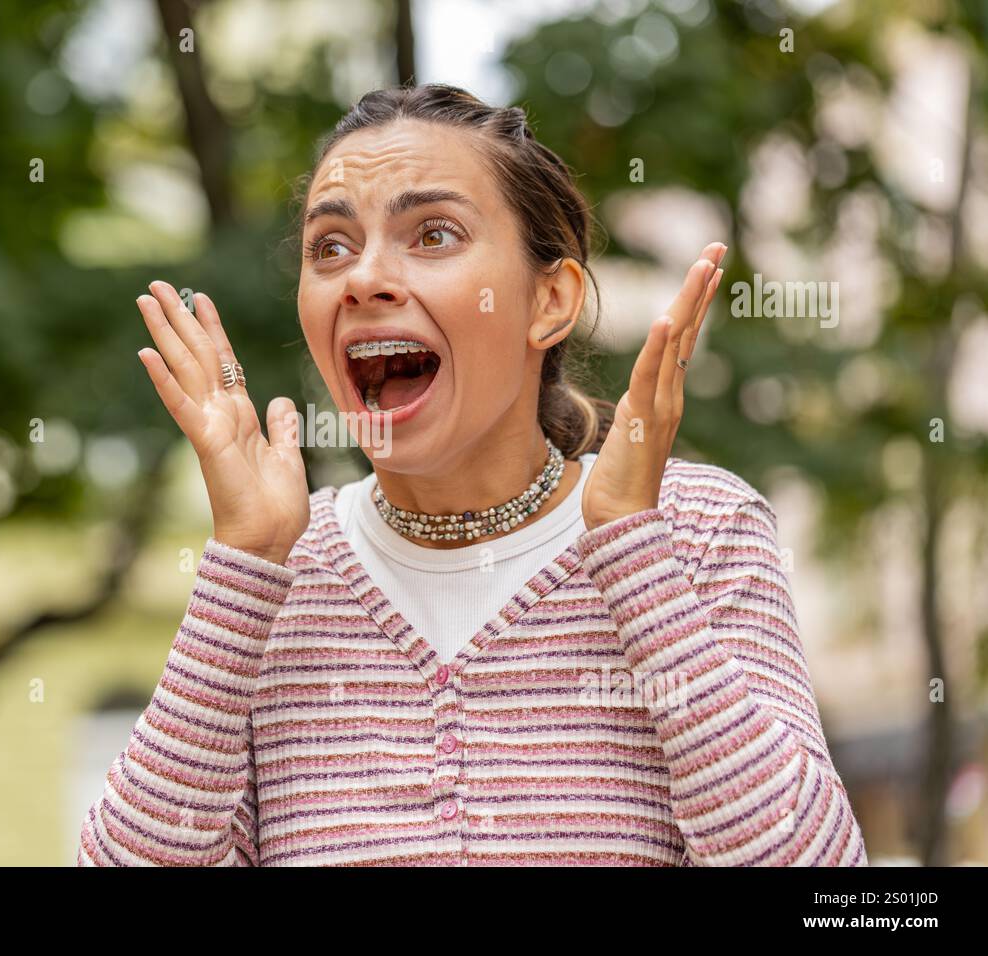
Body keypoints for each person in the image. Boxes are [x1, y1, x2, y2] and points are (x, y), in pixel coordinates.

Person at [78, 84, 867, 866]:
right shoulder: (274, 578)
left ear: (549, 299)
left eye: (433, 235)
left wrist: (632, 547)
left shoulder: (694, 531)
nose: (362, 280)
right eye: (331, 246)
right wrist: (245, 563)